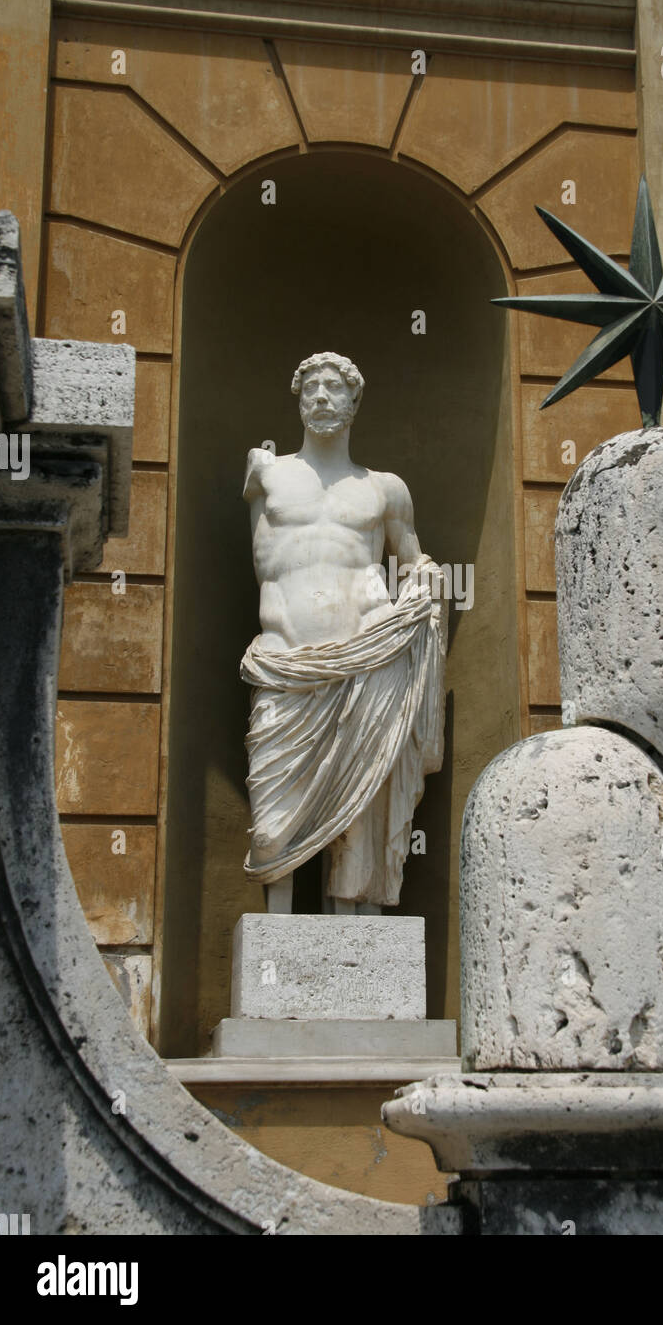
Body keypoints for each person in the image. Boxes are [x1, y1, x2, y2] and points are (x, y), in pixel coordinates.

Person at [242, 352, 447, 913]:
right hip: (286, 664)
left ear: (356, 402)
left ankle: (357, 936)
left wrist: (426, 581)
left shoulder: (384, 490)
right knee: (273, 825)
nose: (322, 398)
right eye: (311, 388)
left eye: (335, 388)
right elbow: (267, 568)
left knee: (359, 814)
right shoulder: (266, 472)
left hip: (369, 663)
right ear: (297, 399)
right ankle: (276, 943)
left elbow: (413, 566)